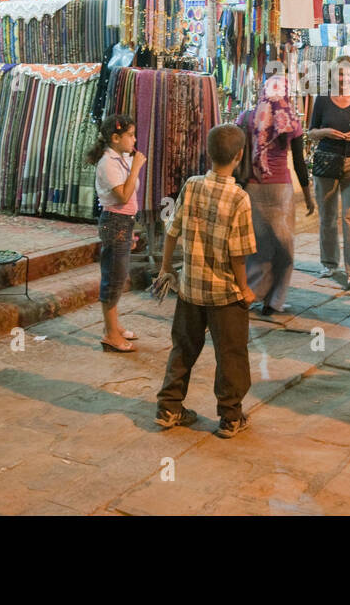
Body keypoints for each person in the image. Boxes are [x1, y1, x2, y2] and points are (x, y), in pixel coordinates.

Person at [156, 124, 257, 438]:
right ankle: (230, 416)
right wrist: (244, 288)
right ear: (239, 156)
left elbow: (173, 230)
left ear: (209, 153)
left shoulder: (192, 185)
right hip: (224, 293)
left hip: (190, 288)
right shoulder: (239, 198)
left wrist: (165, 269)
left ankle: (169, 407)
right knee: (231, 354)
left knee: (183, 348)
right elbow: (238, 254)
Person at [236, 75, 314, 316]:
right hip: (281, 190)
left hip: (252, 188)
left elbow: (237, 155)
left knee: (256, 245)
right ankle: (274, 300)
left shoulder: (246, 118)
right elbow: (300, 162)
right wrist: (308, 196)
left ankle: (249, 292)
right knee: (284, 246)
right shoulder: (290, 122)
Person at [309, 58, 350, 285]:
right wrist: (325, 131)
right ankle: (329, 263)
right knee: (327, 215)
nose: (344, 79)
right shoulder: (323, 99)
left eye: (347, 75)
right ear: (332, 76)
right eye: (339, 74)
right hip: (327, 161)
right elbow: (311, 132)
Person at [87, 114, 145, 352]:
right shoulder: (108, 162)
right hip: (114, 222)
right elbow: (122, 195)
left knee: (119, 276)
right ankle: (110, 333)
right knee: (113, 277)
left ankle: (114, 325)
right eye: (130, 135)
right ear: (115, 138)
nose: (134, 139)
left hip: (124, 222)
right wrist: (137, 168)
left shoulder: (119, 158)